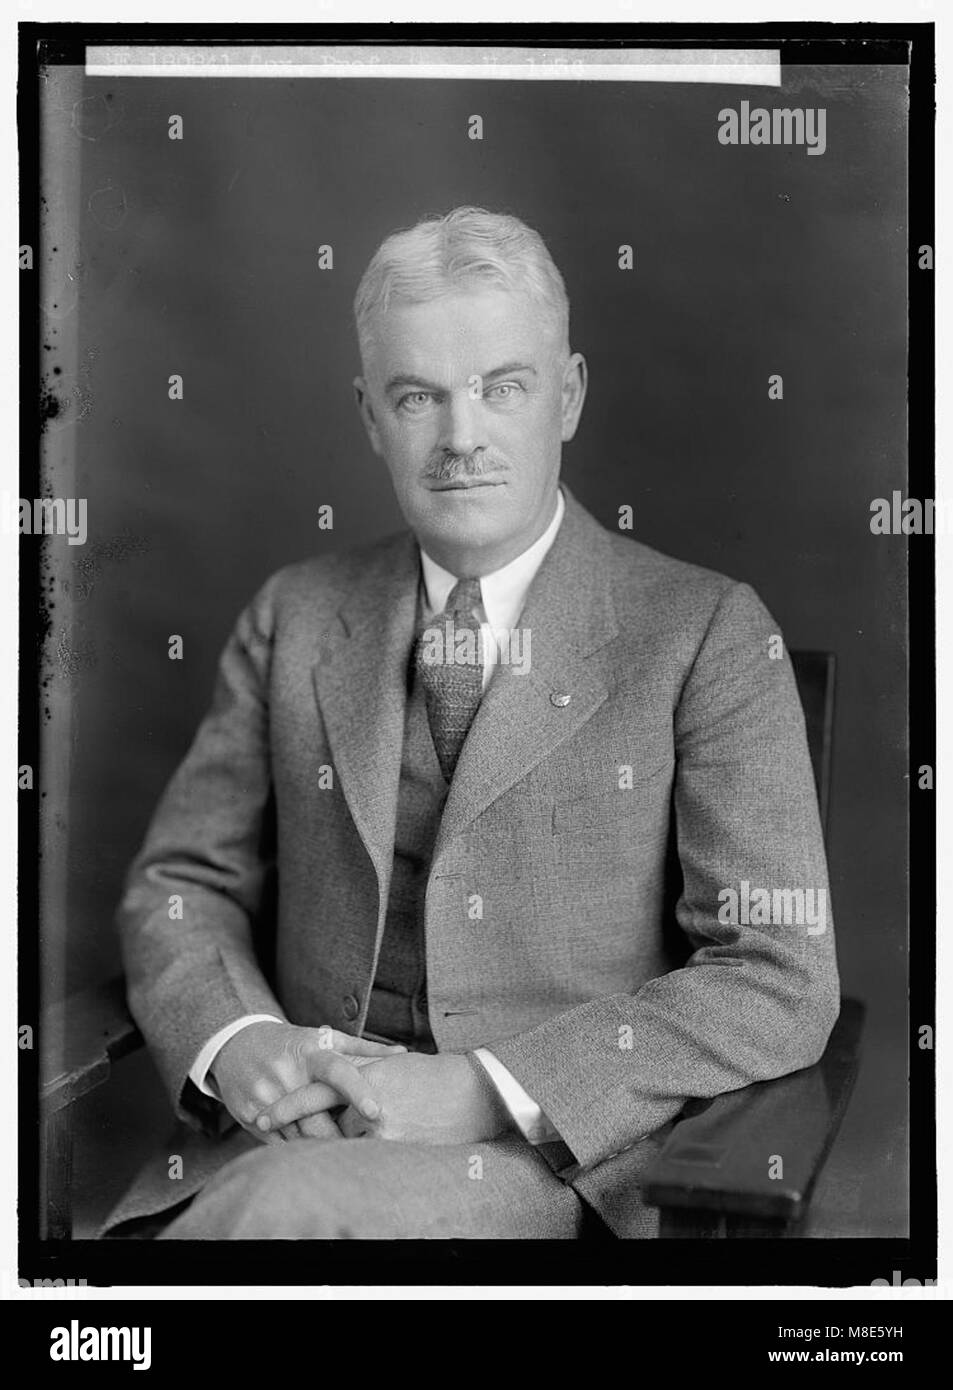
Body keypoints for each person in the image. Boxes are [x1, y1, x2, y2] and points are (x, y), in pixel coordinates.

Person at [103, 206, 839, 1240]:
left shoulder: (704, 631)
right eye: (418, 397)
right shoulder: (297, 614)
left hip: (532, 1168)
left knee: (271, 1225)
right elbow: (180, 886)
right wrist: (239, 1040)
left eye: (502, 386)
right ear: (369, 415)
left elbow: (777, 975)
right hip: (281, 1137)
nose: (460, 437)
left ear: (567, 396)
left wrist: (483, 1086)